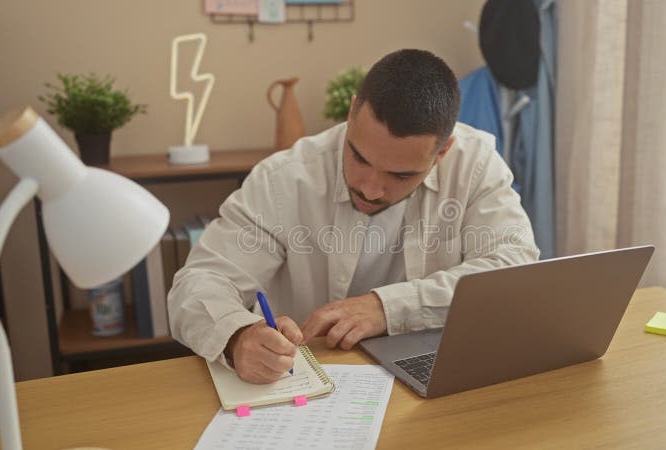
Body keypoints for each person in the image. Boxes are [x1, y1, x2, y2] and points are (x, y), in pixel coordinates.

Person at [168, 49, 539, 385]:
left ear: (442, 153)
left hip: (434, 376)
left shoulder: (475, 166)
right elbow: (200, 282)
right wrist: (236, 336)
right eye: (359, 157)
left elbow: (514, 267)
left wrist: (388, 308)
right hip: (306, 382)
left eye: (401, 175)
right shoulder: (283, 178)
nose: (371, 189)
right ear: (351, 112)